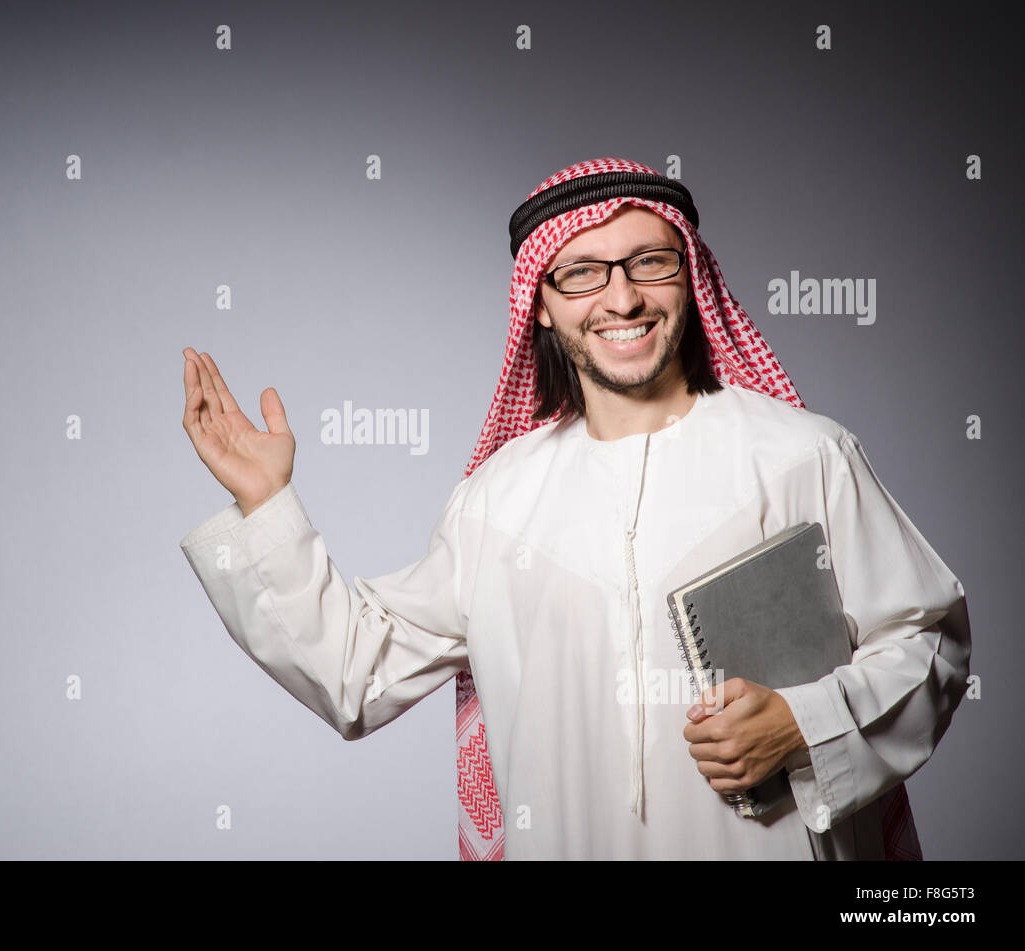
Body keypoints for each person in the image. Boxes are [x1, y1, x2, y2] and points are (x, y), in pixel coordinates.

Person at [179, 157, 972, 860]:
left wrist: (805, 720)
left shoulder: (803, 455)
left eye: (648, 263)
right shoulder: (497, 502)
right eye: (583, 272)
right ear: (543, 308)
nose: (622, 296)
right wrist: (266, 502)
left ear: (689, 278)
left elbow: (928, 642)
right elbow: (353, 673)